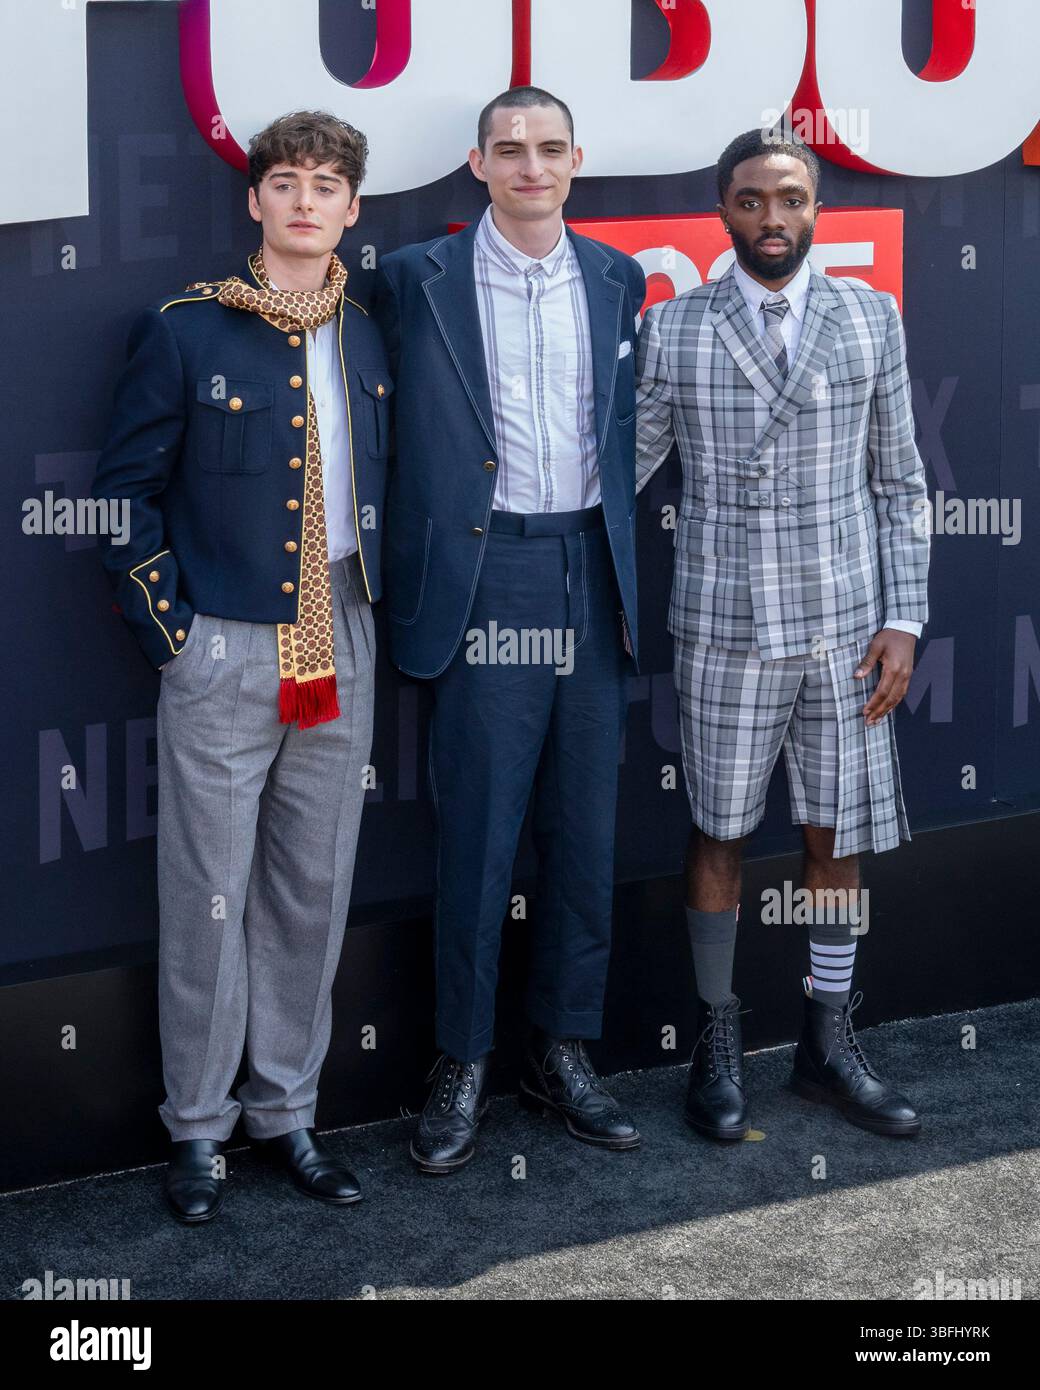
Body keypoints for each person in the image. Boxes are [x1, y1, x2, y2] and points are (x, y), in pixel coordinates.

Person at [91, 110, 391, 1221]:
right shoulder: (185, 331)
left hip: (341, 640)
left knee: (310, 890)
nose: (305, 200)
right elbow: (119, 494)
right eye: (284, 182)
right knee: (208, 897)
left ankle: (287, 1114)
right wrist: (172, 631)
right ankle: (199, 1132)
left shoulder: (371, 332)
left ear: (351, 209)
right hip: (221, 643)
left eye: (326, 184)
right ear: (254, 202)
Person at [634, 129, 929, 1142]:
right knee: (715, 829)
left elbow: (899, 481)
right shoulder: (673, 328)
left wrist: (903, 617)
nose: (772, 217)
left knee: (830, 837)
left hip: (847, 625)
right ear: (723, 209)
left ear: (815, 209)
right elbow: (618, 472)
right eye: (752, 199)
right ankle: (716, 1037)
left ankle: (824, 1040)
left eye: (790, 198)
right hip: (723, 623)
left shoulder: (868, 314)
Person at [372, 86, 646, 1173]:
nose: (529, 166)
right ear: (476, 164)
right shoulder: (409, 279)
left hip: (592, 566)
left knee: (583, 836)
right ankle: (461, 1061)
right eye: (507, 150)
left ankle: (564, 1052)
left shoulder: (617, 278)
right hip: (487, 574)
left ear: (575, 160)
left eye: (546, 148)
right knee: (480, 836)